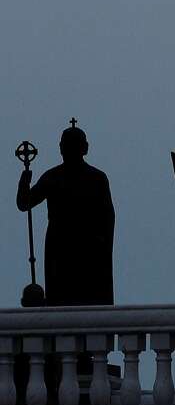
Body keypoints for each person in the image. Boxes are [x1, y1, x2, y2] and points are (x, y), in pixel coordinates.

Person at [16, 121, 115, 306]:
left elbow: (108, 219)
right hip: (61, 250)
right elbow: (25, 203)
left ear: (84, 148)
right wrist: (24, 182)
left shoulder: (96, 179)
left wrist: (101, 246)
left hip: (87, 250)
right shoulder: (54, 177)